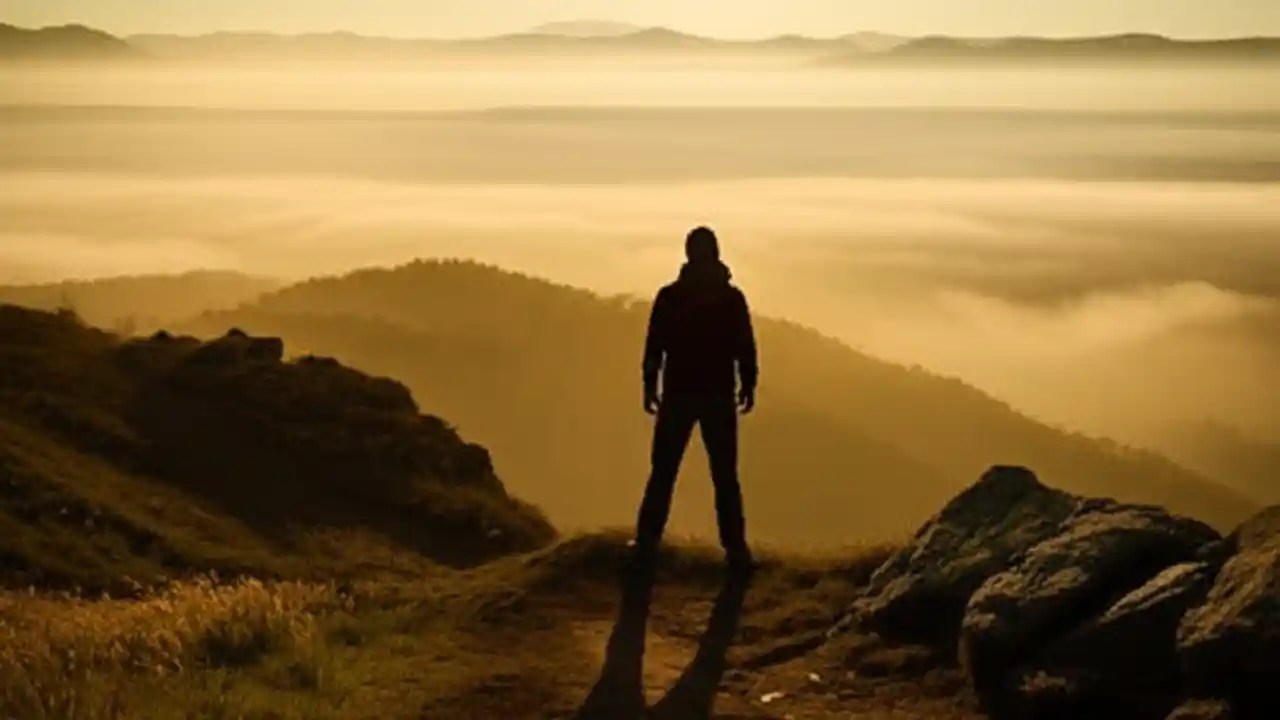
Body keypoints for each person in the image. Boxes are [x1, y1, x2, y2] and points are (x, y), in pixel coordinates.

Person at [634, 226, 758, 570]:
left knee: (664, 472)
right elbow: (744, 345)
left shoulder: (671, 297)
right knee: (723, 476)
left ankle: (646, 544)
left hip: (679, 393)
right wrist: (748, 383)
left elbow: (654, 345)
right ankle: (736, 551)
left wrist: (649, 384)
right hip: (716, 394)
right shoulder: (730, 298)